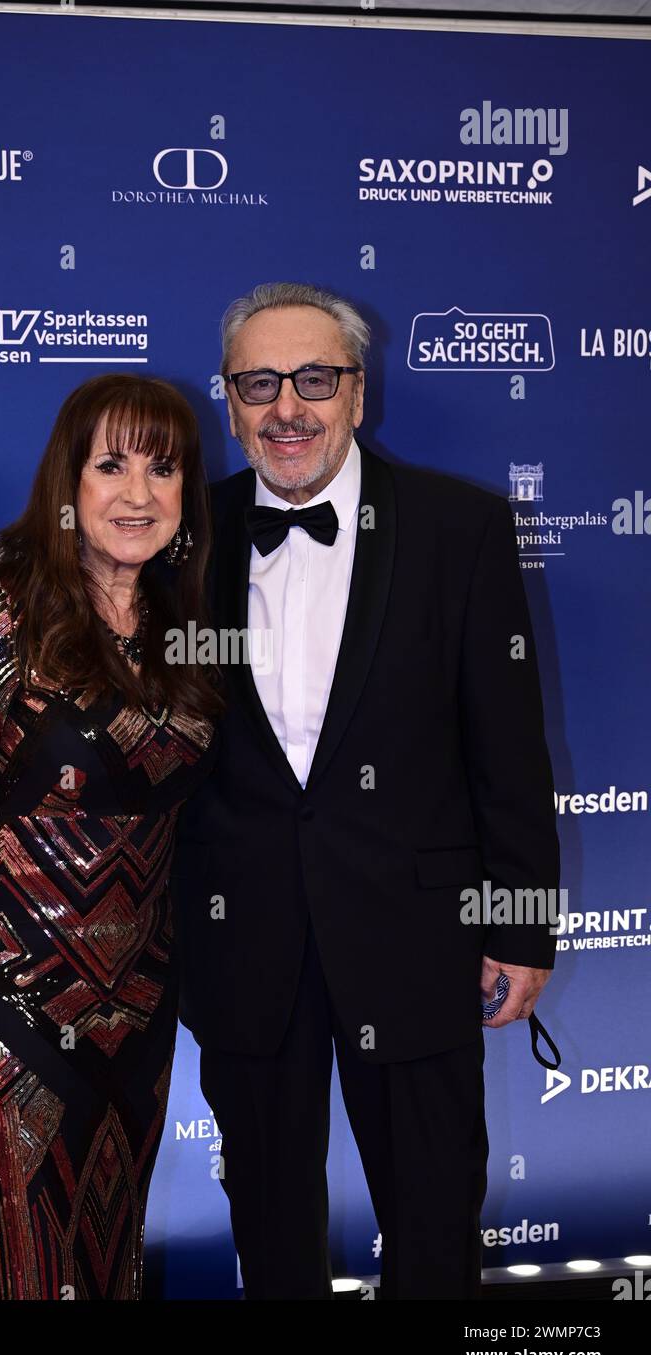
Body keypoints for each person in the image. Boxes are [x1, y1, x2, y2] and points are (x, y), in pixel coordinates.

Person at [171, 281, 560, 1300]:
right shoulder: (183, 539)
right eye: (259, 383)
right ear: (229, 399)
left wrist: (519, 928)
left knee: (433, 1226)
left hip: (417, 935)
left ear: (356, 390)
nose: (285, 407)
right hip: (245, 938)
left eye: (313, 379)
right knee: (269, 1221)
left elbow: (509, 751)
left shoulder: (457, 528)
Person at [0, 373, 220, 1299]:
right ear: (67, 484)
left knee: (112, 1257)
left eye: (163, 470)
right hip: (17, 1012)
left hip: (141, 1010)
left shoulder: (180, 619)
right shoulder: (5, 603)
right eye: (109, 465)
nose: (137, 494)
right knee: (32, 1266)